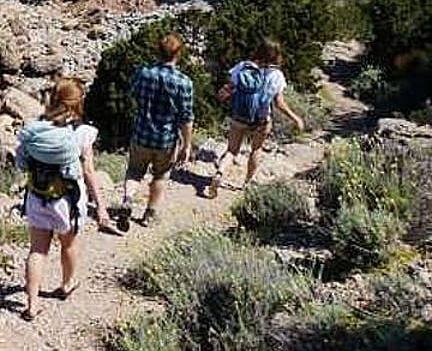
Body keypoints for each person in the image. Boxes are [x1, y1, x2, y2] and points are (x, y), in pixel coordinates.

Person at [15, 77, 99, 320]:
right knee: (68, 244)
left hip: (37, 197)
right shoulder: (80, 133)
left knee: (37, 250)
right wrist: (100, 207)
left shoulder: (33, 130)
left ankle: (32, 304)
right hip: (66, 201)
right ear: (76, 103)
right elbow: (88, 171)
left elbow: (21, 163)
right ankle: (67, 283)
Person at [112, 33, 194, 228]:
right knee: (161, 175)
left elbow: (132, 94)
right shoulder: (184, 82)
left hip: (141, 133)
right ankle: (149, 214)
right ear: (178, 54)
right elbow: (187, 117)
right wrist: (186, 145)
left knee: (134, 171)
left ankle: (128, 199)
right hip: (166, 140)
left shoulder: (144, 73)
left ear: (158, 51)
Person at [207, 38, 305, 198]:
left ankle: (220, 173)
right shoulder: (277, 75)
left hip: (239, 115)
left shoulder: (243, 66)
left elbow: (229, 88)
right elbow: (279, 103)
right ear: (277, 56)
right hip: (261, 119)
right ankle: (247, 183)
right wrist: (295, 118)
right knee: (256, 149)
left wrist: (224, 94)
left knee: (232, 150)